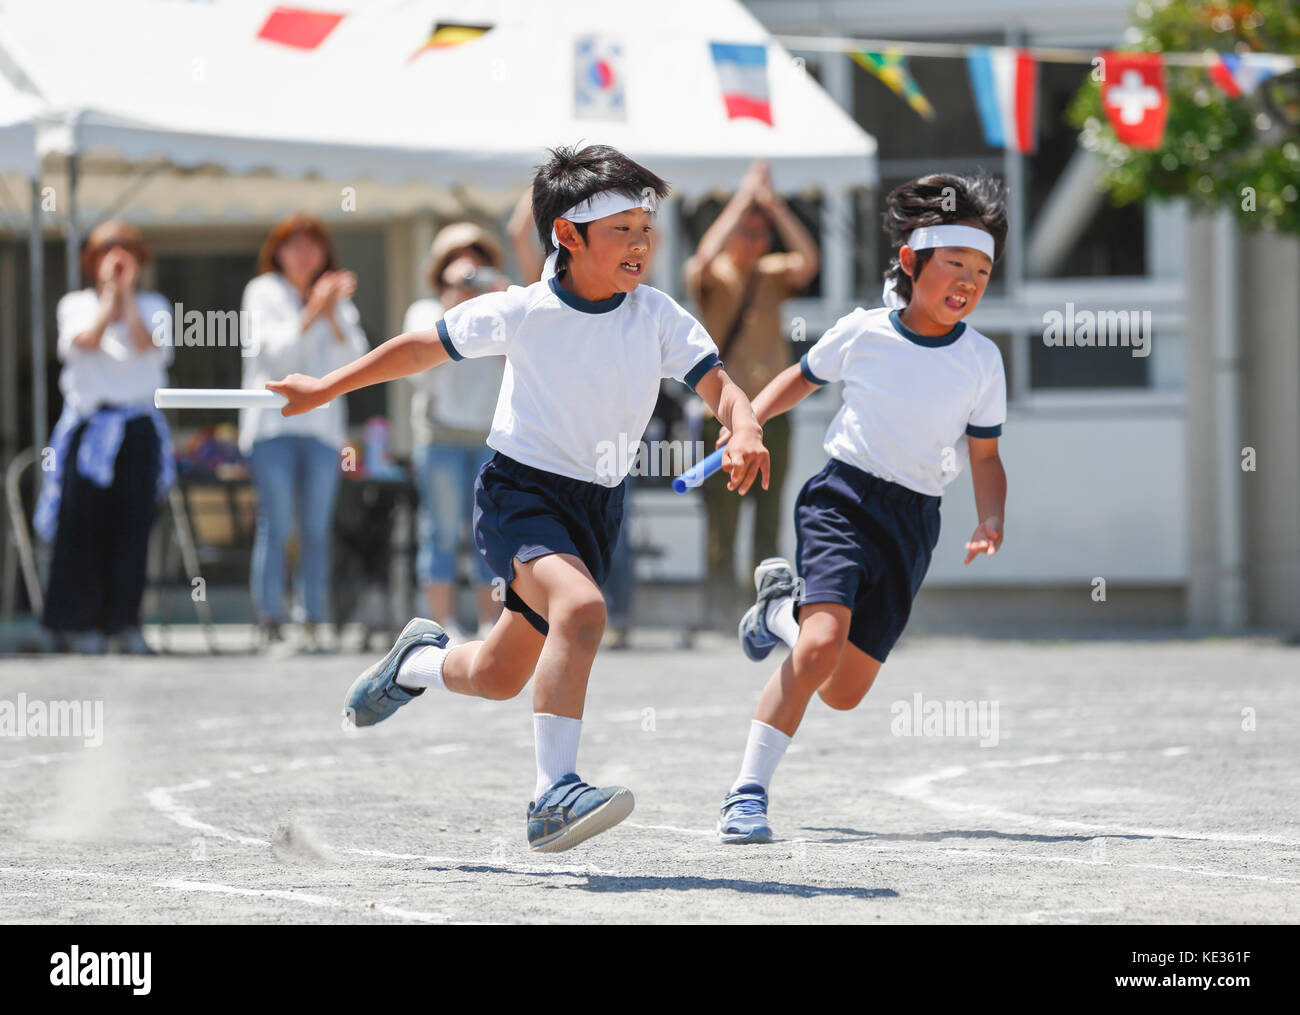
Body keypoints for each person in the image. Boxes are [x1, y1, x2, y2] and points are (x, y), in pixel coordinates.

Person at [266, 144, 769, 853]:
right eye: (621, 230)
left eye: (645, 230)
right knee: (585, 609)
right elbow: (417, 349)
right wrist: (322, 389)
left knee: (499, 675)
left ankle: (412, 662)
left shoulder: (655, 315)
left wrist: (744, 426)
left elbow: (721, 388)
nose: (639, 245)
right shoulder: (523, 310)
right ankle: (551, 795)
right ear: (568, 235)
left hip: (596, 507)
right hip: (520, 493)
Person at [714, 173, 1010, 844]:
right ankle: (747, 793)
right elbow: (797, 378)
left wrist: (990, 517)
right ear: (911, 263)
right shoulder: (864, 332)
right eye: (955, 264)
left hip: (913, 523)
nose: (968, 279)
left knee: (843, 688)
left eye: (983, 270)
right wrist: (747, 424)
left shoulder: (983, 361)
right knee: (819, 649)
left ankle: (775, 613)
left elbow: (986, 458)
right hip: (843, 499)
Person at [684, 161, 820, 628]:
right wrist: (741, 201)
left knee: (769, 515)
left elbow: (809, 260)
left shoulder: (772, 273)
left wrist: (774, 206)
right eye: (747, 231)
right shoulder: (714, 275)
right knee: (722, 521)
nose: (756, 240)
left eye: (762, 234)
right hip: (721, 417)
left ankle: (766, 608)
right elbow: (703, 256)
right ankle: (720, 610)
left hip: (772, 415)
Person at [36, 221, 175, 654]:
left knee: (133, 529)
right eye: (106, 252)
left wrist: (127, 300)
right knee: (81, 526)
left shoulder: (154, 305)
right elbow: (84, 343)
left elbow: (151, 348)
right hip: (91, 429)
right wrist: (109, 300)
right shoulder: (76, 304)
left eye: (125, 251)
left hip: (137, 429)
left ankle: (124, 624)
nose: (116, 259)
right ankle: (77, 624)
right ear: (92, 262)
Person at [239, 214, 369, 653]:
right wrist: (316, 309)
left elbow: (357, 361)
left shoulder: (335, 298)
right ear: (277, 252)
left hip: (322, 430)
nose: (304, 255)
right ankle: (270, 617)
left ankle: (312, 618)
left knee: (315, 527)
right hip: (272, 427)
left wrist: (331, 313)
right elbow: (274, 357)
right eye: (294, 246)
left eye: (312, 247)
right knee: (276, 525)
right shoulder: (263, 292)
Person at [404, 223, 510, 643]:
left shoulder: (501, 312)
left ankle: (489, 627)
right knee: (441, 532)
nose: (469, 272)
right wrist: (454, 303)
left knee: (491, 535)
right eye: (458, 262)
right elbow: (422, 372)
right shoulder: (424, 311)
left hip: (490, 440)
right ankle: (442, 629)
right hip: (440, 439)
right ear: (441, 269)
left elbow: (518, 367)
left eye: (477, 262)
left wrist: (502, 304)